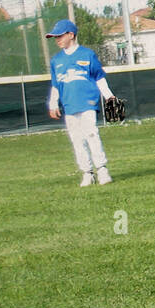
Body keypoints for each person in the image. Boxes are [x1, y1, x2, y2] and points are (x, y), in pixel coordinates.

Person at [45, 19, 116, 186]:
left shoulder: (87, 54)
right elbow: (56, 84)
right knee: (77, 139)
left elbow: (99, 77)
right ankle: (87, 172)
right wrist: (53, 104)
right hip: (69, 105)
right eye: (55, 37)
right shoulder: (56, 61)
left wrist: (109, 97)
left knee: (91, 133)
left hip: (87, 102)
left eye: (60, 36)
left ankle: (102, 169)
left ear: (71, 35)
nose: (57, 40)